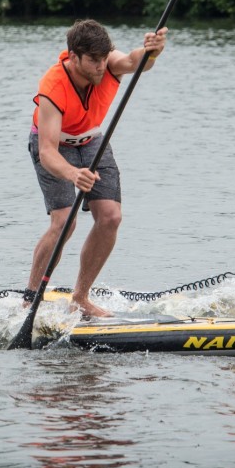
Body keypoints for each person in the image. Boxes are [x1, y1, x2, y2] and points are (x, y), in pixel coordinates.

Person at [25, 19, 168, 317]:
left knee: (111, 217)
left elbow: (133, 61)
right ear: (74, 57)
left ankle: (80, 297)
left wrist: (151, 51)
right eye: (93, 61)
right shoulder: (53, 85)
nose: (101, 67)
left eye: (104, 58)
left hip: (91, 141)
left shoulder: (108, 63)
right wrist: (73, 174)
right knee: (65, 222)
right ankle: (30, 297)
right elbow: (47, 151)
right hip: (56, 146)